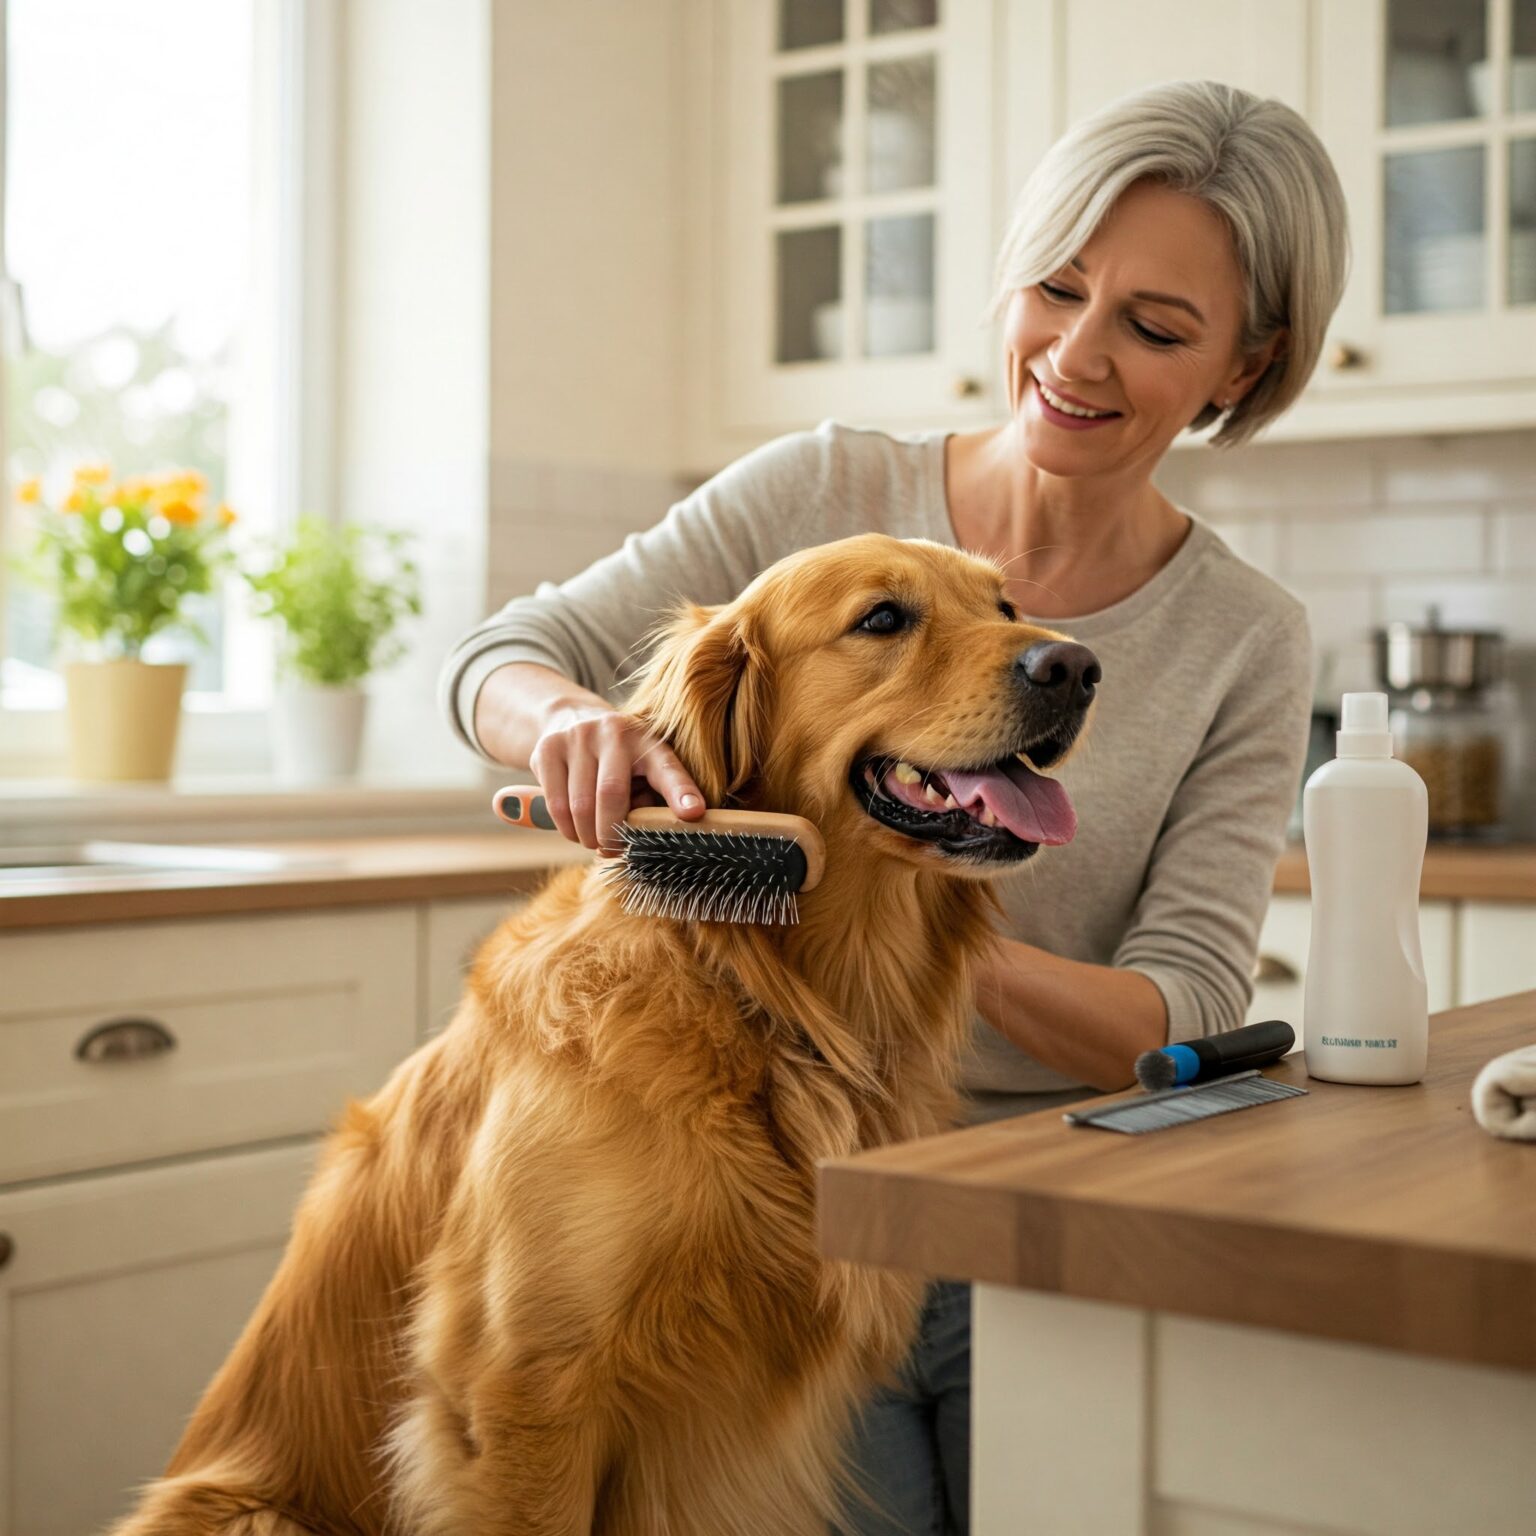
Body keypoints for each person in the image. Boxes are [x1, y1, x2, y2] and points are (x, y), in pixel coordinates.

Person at [438, 78, 1347, 1536]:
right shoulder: (822, 491)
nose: (1077, 354)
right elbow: (498, 657)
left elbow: (1187, 1002)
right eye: (1057, 289)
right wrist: (571, 722)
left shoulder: (1246, 635)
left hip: (1046, 1216)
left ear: (1247, 366)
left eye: (1157, 328)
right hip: (782, 1197)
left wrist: (917, 910)